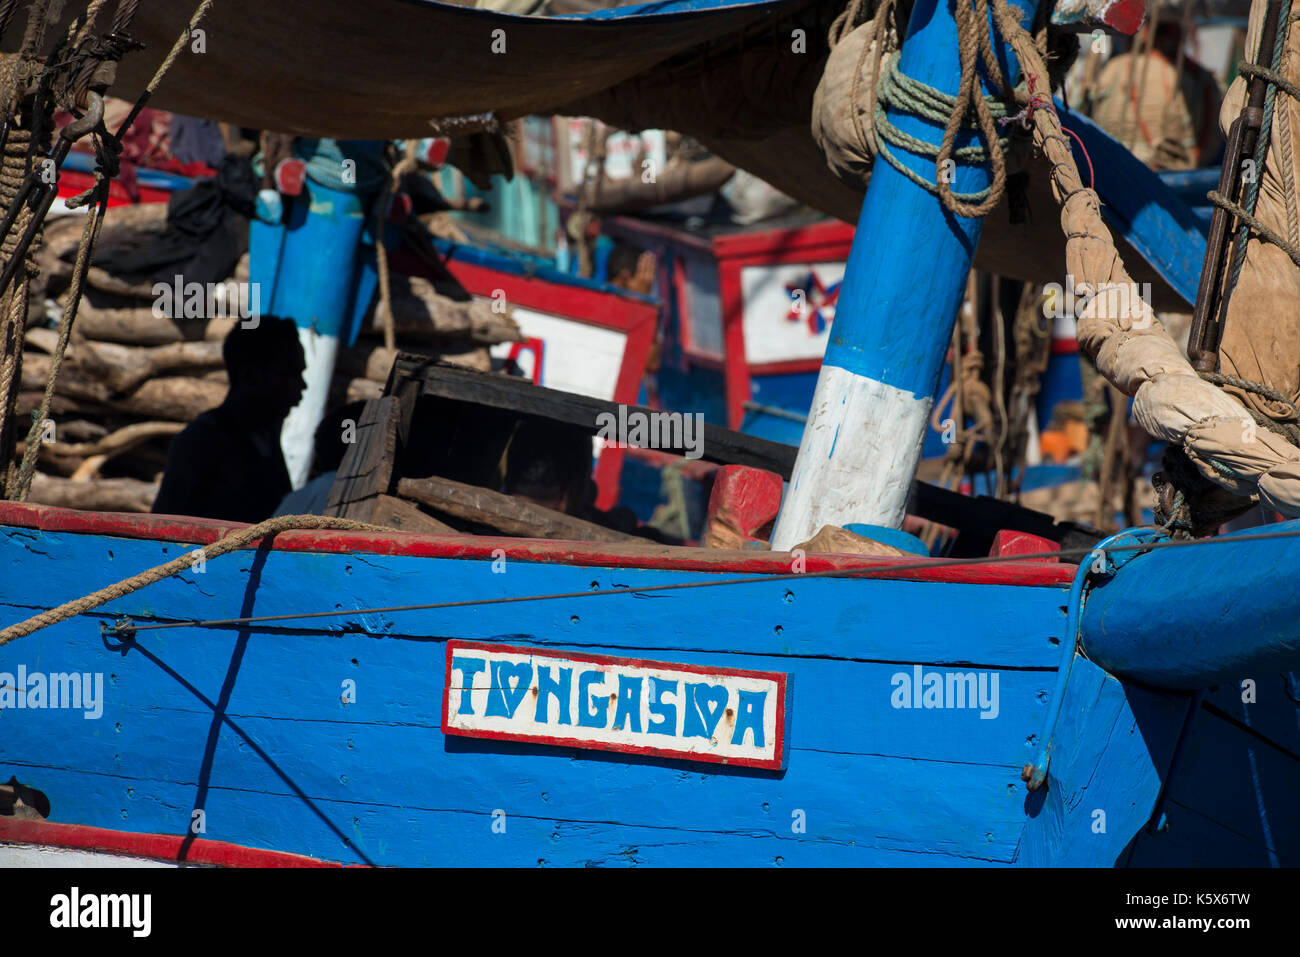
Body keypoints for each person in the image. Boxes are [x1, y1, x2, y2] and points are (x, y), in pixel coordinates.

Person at [152, 316, 306, 523]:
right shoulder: (199, 443)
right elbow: (161, 532)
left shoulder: (265, 438)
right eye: (290, 375)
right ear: (251, 376)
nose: (302, 386)